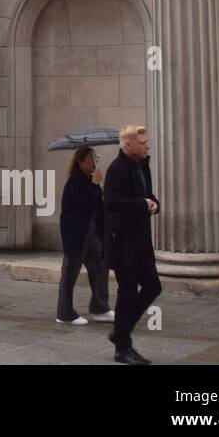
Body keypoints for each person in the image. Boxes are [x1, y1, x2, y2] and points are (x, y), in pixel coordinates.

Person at [105, 124, 161, 364]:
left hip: (142, 240)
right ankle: (122, 348)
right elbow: (112, 201)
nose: (147, 145)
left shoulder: (142, 166)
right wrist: (142, 204)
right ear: (128, 145)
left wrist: (154, 205)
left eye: (146, 141)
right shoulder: (116, 169)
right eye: (142, 142)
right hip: (124, 242)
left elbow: (149, 196)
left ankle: (120, 333)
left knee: (153, 286)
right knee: (127, 293)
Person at [56, 146, 112, 325]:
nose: (93, 161)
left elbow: (96, 206)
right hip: (77, 234)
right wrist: (95, 184)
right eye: (89, 158)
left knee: (100, 266)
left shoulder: (89, 179)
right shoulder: (75, 181)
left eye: (94, 158)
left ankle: (100, 307)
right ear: (80, 161)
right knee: (70, 272)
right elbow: (83, 203)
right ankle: (65, 313)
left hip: (92, 232)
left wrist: (98, 187)